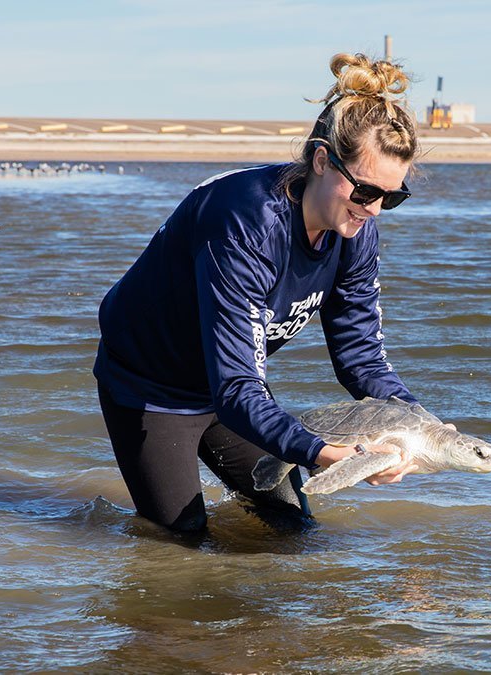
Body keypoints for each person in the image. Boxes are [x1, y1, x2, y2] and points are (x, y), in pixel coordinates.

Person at [94, 52, 422, 533]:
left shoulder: (354, 230)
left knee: (292, 524)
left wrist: (419, 424)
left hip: (231, 385)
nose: (373, 210)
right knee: (180, 543)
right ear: (321, 160)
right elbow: (236, 389)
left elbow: (361, 359)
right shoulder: (245, 225)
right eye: (365, 192)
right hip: (151, 387)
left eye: (391, 198)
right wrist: (322, 452)